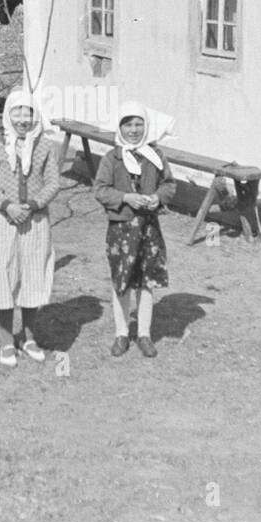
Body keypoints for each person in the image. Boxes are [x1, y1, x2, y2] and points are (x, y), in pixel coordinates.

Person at [0, 89, 60, 367]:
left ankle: (28, 337)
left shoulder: (46, 146)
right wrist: (7, 206)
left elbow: (53, 183)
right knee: (5, 273)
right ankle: (6, 341)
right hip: (6, 219)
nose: (23, 119)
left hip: (36, 220)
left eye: (28, 113)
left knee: (32, 274)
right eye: (18, 112)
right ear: (8, 114)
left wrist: (34, 204)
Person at [94, 102, 176, 358]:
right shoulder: (112, 158)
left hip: (148, 228)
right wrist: (126, 198)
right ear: (120, 127)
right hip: (122, 229)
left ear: (146, 126)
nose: (134, 130)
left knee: (146, 281)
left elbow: (169, 184)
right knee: (122, 280)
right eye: (128, 124)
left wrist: (157, 198)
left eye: (139, 124)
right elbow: (100, 190)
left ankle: (144, 334)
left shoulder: (155, 155)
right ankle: (121, 332)